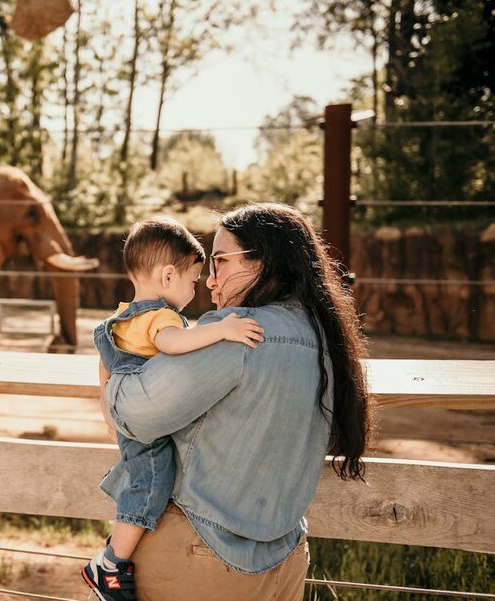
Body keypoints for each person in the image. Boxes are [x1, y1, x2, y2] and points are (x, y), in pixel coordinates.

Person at [98, 203, 373, 601]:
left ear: (264, 262)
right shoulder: (324, 338)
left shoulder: (239, 334)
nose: (210, 281)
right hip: (285, 560)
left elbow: (134, 414)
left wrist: (111, 362)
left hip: (202, 560)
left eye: (221, 262)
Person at [83, 216, 264, 601]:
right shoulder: (162, 318)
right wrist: (221, 330)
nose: (196, 289)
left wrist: (108, 410)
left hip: (130, 420)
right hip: (149, 427)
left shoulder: (118, 320)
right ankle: (112, 563)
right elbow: (171, 345)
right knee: (152, 486)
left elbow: (105, 364)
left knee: (139, 479)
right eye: (192, 281)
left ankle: (117, 551)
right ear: (167, 277)